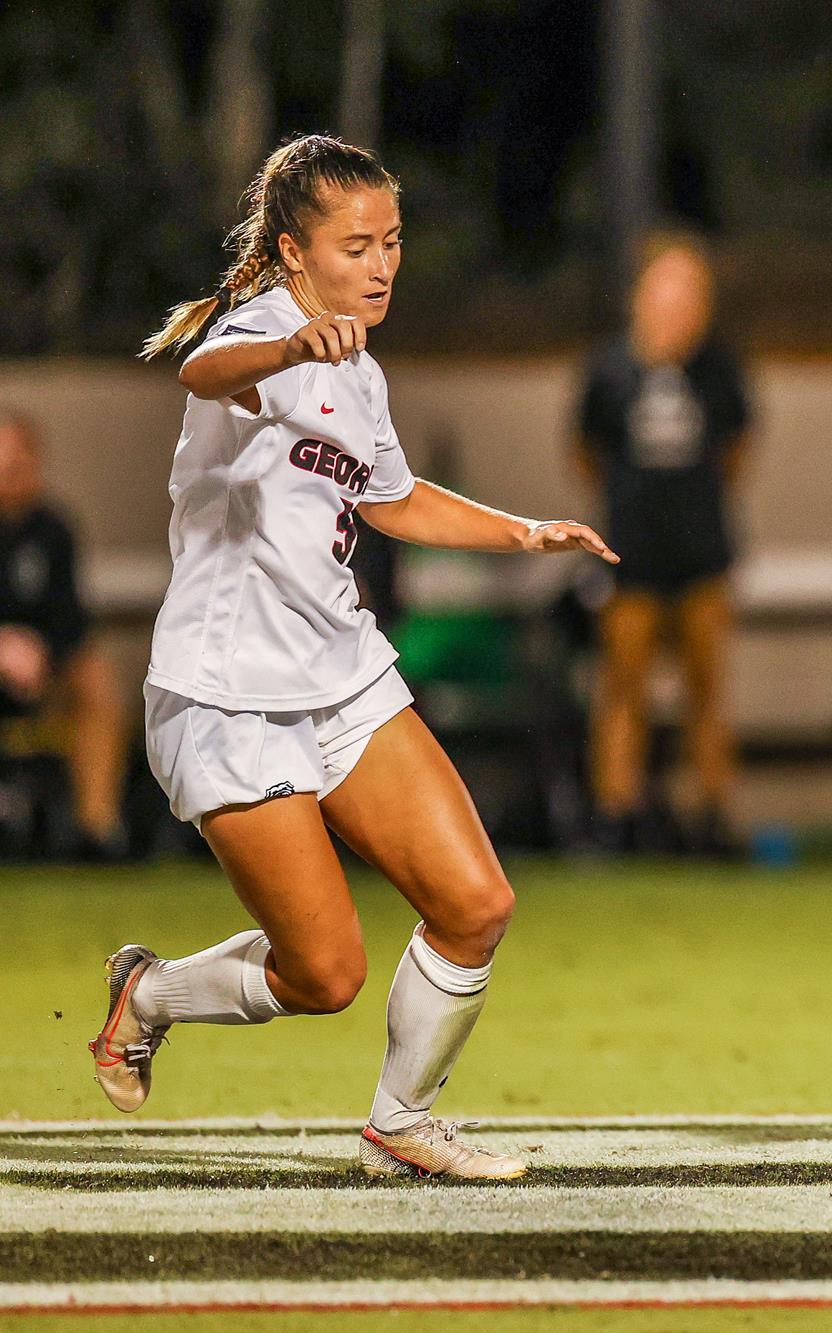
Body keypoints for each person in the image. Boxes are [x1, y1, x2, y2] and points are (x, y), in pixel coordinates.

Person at [98, 135, 617, 1180]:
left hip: (342, 677)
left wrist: (523, 530)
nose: (381, 265)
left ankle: (401, 1123)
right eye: (355, 245)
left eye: (392, 242)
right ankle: (148, 993)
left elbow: (395, 500)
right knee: (323, 971)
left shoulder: (360, 373)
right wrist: (290, 349)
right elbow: (204, 369)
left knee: (475, 905)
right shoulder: (259, 334)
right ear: (293, 253)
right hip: (226, 697)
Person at [576, 234, 752, 856]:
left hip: (702, 554)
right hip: (631, 556)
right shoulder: (610, 369)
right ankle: (616, 818)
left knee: (708, 688)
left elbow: (736, 448)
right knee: (623, 687)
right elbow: (587, 450)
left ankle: (711, 819)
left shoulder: (720, 368)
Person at [0, 412, 132, 857]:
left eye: (14, 465)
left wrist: (43, 654)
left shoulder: (54, 529)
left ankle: (95, 832)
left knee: (95, 678)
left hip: (41, 677)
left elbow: (71, 619)